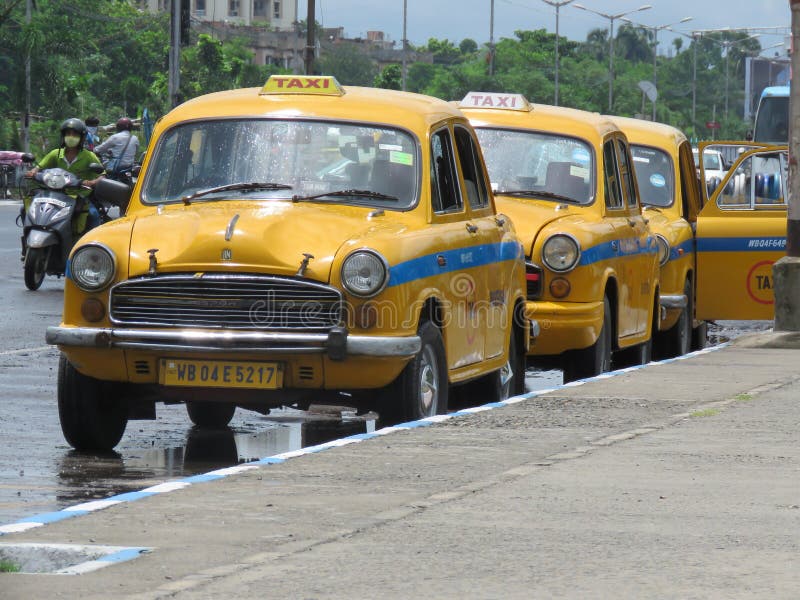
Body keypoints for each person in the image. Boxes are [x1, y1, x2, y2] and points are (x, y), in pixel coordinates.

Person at [26, 118, 105, 232]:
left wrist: (92, 182)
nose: (71, 137)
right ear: (63, 136)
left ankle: (91, 244)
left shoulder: (89, 156)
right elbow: (39, 167)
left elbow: (102, 174)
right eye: (68, 133)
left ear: (81, 137)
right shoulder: (55, 153)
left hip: (79, 196)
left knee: (93, 215)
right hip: (54, 195)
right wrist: (32, 172)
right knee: (27, 209)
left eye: (74, 134)